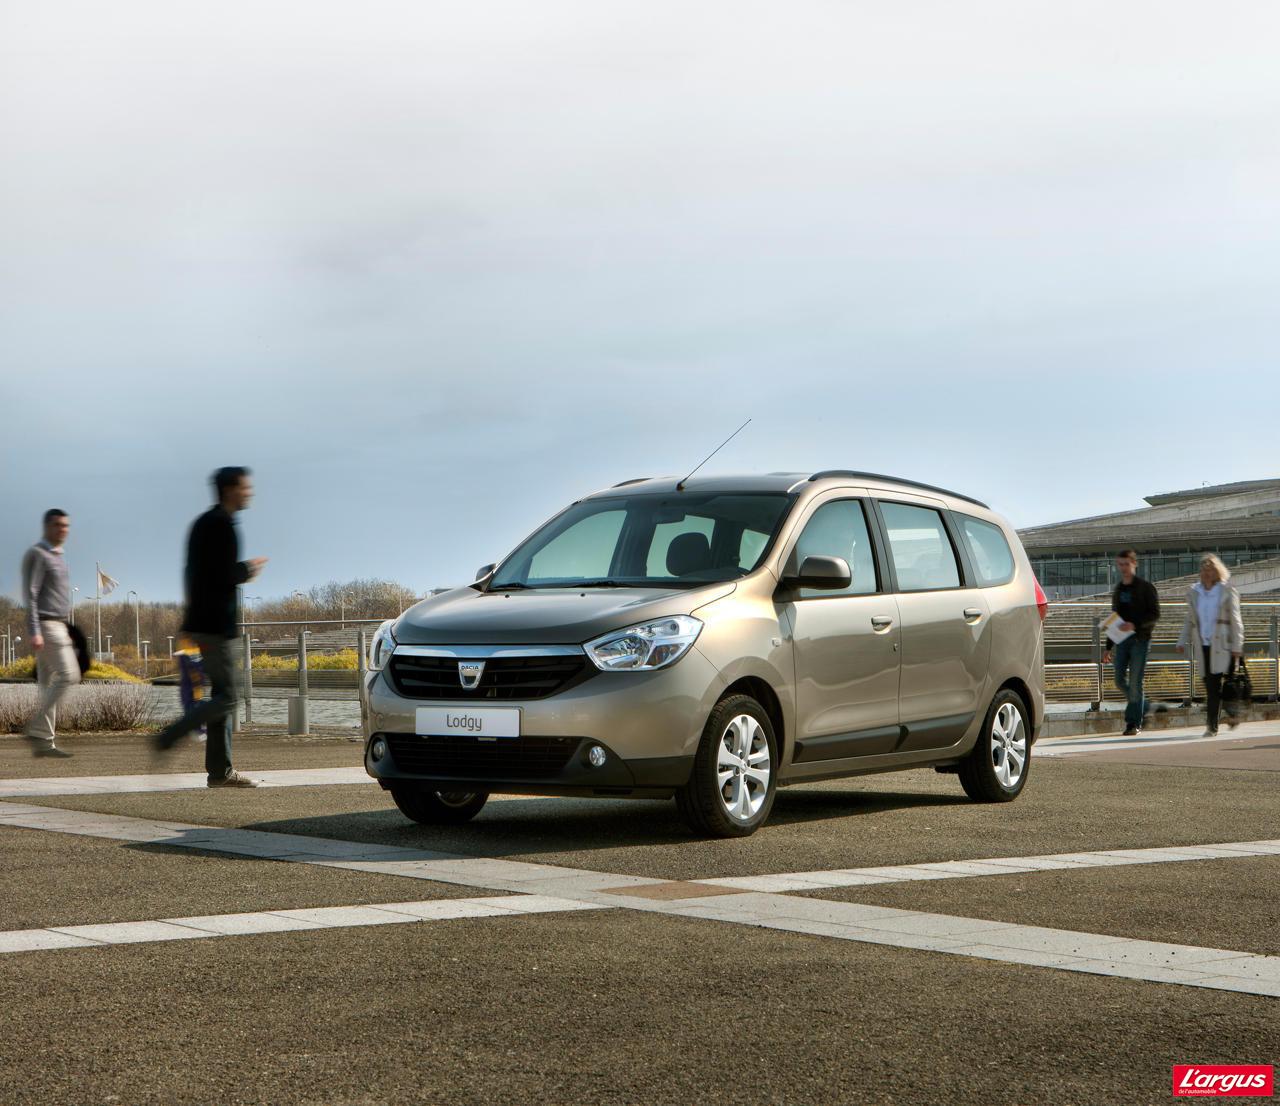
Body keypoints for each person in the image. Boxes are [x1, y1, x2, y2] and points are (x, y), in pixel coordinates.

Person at [153, 467, 267, 786]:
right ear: (230, 489)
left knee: (222, 695)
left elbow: (193, 573)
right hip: (216, 626)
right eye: (246, 487)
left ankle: (220, 771)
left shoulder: (205, 524)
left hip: (204, 622)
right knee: (230, 697)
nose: (250, 492)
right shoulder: (222, 526)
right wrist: (247, 570)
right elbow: (221, 575)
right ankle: (172, 734)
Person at [20, 509, 78, 758]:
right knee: (69, 675)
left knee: (47, 685)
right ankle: (35, 728)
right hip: (47, 626)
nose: (62, 529)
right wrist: (35, 630)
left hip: (58, 625)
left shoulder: (59, 557)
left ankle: (45, 742)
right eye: (57, 525)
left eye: (65, 525)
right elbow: (31, 594)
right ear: (46, 526)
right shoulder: (38, 554)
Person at [1176, 553, 1244, 737]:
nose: (1206, 574)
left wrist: (1237, 645)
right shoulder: (1195, 591)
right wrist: (1182, 640)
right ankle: (1220, 720)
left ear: (1217, 571)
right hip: (1203, 644)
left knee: (1221, 685)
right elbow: (1190, 620)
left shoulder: (1226, 590)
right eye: (1203, 570)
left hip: (1223, 643)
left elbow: (1236, 620)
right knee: (1211, 686)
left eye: (1210, 570)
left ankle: (1221, 720)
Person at [1101, 549, 1160, 736]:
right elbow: (1114, 618)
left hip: (1140, 640)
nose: (1123, 568)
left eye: (1127, 564)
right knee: (1119, 680)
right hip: (1121, 641)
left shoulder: (1146, 587)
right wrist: (1107, 647)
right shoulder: (1119, 590)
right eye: (1120, 564)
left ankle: (1133, 723)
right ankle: (1144, 705)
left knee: (1135, 682)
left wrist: (1135, 625)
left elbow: (1154, 614)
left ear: (1135, 564)